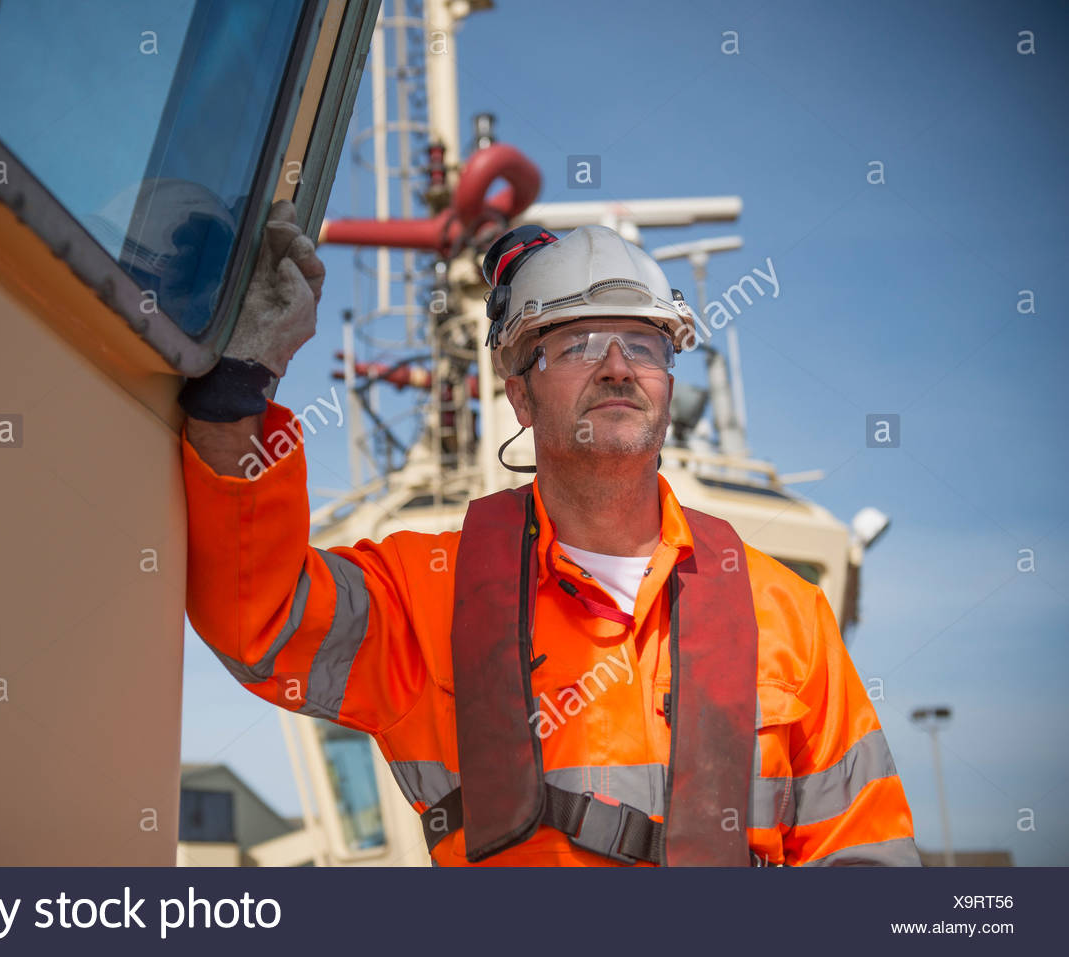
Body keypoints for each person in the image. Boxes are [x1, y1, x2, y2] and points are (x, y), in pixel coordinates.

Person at [178, 200, 922, 866]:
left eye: (647, 344)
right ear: (520, 394)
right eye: (577, 344)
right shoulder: (426, 593)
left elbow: (867, 855)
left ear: (669, 379)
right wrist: (237, 386)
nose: (619, 366)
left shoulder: (790, 615)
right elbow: (260, 617)